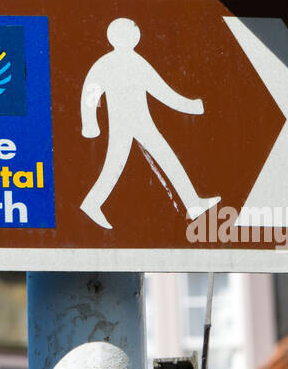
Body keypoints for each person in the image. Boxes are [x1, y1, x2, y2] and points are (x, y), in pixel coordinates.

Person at [79, 17, 219, 228]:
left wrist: (91, 125)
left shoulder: (115, 62)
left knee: (161, 158)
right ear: (133, 37)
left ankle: (192, 203)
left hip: (141, 122)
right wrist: (192, 107)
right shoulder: (119, 63)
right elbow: (92, 93)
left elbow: (91, 95)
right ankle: (91, 203)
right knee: (114, 166)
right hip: (125, 124)